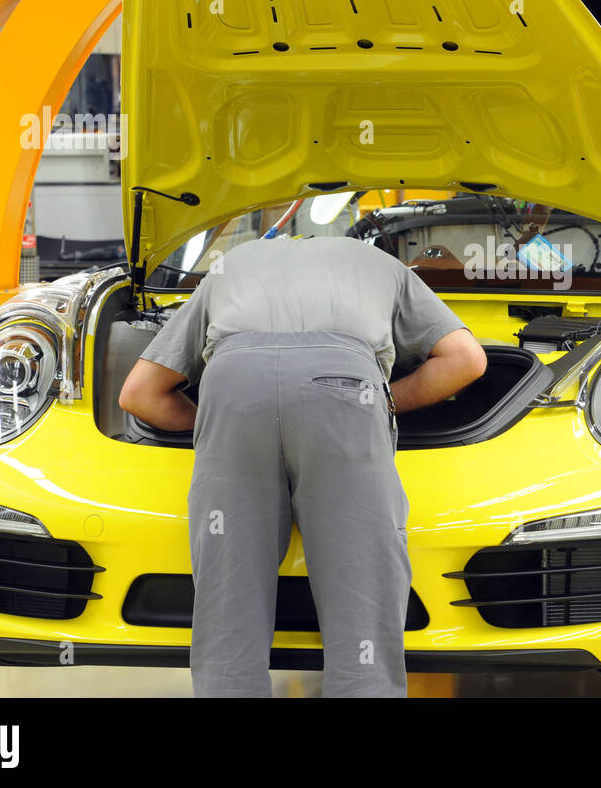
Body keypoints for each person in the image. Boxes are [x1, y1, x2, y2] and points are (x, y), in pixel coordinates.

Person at [119, 234, 487, 697]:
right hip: (343, 384)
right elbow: (467, 360)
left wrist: (218, 424)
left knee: (228, 595)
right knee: (361, 589)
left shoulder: (234, 262)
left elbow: (138, 395)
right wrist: (382, 401)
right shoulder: (381, 264)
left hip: (232, 385)